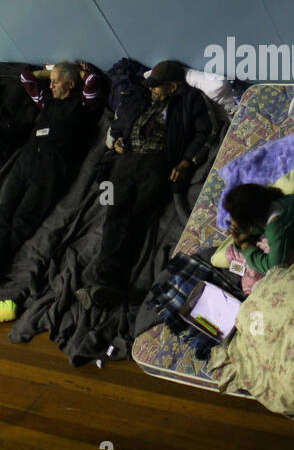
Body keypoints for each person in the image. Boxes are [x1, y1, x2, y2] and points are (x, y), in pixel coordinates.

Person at [77, 60, 216, 308]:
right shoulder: (139, 97)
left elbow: (204, 134)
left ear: (173, 87)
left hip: (158, 162)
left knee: (138, 219)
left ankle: (119, 284)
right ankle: (107, 283)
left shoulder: (190, 101)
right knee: (115, 215)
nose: (151, 89)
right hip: (126, 161)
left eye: (157, 86)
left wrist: (185, 163)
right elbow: (118, 126)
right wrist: (117, 141)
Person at [0, 60, 107, 286]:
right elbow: (26, 78)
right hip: (26, 160)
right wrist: (52, 70)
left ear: (70, 84)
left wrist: (77, 71)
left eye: (56, 83)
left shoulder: (84, 106)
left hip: (51, 167)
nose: (51, 86)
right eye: (50, 82)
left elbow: (92, 82)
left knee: (24, 216)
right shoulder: (47, 102)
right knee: (2, 210)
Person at [224, 183, 294, 292]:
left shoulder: (276, 227)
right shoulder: (275, 202)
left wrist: (246, 248)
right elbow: (258, 229)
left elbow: (274, 268)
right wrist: (240, 240)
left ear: (251, 223)